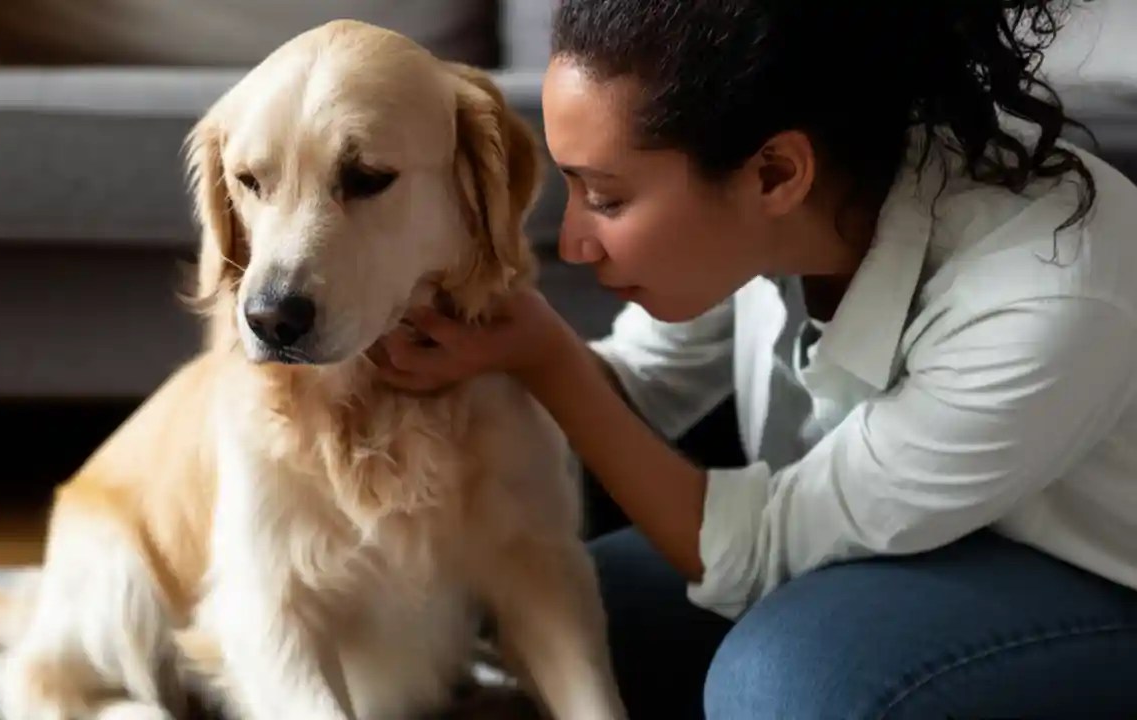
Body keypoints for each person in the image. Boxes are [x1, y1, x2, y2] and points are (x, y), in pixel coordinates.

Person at [374, 0, 1137, 717]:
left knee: (788, 676)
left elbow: (762, 551)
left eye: (605, 199)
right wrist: (475, 355)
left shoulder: (1044, 297)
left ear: (775, 174)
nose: (572, 242)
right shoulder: (813, 188)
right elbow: (639, 388)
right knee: (574, 607)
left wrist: (546, 358)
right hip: (898, 545)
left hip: (1095, 581)